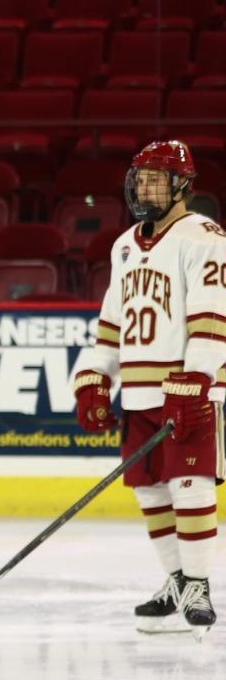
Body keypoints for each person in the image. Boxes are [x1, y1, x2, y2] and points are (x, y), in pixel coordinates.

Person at [73, 139, 225, 636]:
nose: (144, 188)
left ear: (182, 185)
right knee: (151, 494)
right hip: (139, 394)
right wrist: (94, 380)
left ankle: (198, 586)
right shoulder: (122, 246)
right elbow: (111, 328)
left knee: (190, 485)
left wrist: (197, 379)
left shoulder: (204, 237)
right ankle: (177, 582)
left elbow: (213, 318)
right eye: (140, 179)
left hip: (188, 390)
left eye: (155, 179)